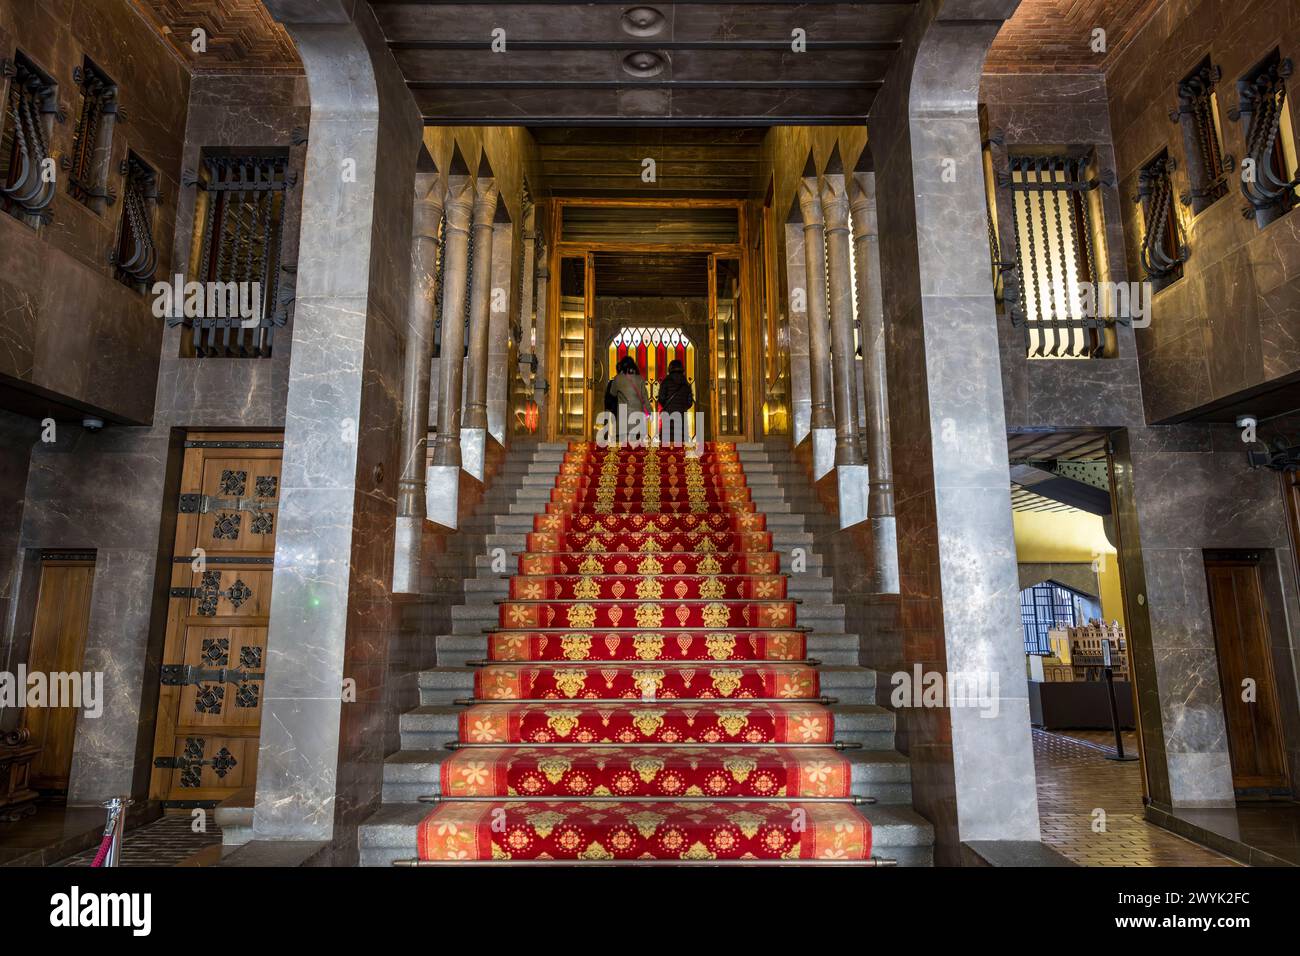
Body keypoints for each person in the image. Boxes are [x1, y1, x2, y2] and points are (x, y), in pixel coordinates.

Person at [610, 356, 650, 444]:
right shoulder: (640, 379)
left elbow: (612, 393)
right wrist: (649, 412)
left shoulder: (617, 378)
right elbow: (645, 398)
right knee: (635, 447)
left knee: (622, 448)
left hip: (622, 418)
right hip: (637, 419)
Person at [657, 359, 694, 446]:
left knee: (666, 447)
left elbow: (661, 399)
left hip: (668, 417)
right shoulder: (686, 383)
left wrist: (668, 407)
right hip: (681, 417)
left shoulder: (666, 382)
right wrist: (682, 408)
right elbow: (690, 402)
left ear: (670, 368)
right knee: (680, 447)